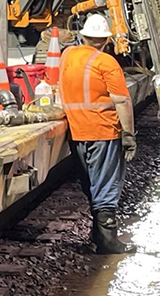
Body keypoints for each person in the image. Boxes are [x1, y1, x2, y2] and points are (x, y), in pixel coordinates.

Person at [58, 13, 137, 254]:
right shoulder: (106, 62)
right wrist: (129, 135)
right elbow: (122, 100)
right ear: (105, 39)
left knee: (91, 185)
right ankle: (107, 241)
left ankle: (98, 235)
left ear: (83, 36)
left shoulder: (67, 55)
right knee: (106, 186)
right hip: (104, 131)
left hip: (77, 132)